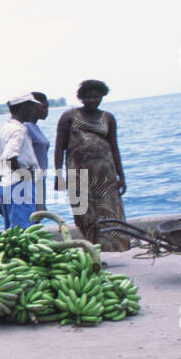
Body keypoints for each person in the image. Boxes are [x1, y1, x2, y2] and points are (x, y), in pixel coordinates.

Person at [53, 79, 130, 251]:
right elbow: (59, 147)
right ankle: (92, 249)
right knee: (83, 213)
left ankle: (108, 248)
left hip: (105, 175)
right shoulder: (69, 117)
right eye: (89, 97)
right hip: (77, 174)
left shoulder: (108, 118)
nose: (93, 100)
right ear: (82, 98)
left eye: (97, 97)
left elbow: (114, 148)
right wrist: (58, 175)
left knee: (109, 211)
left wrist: (121, 176)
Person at [0, 94, 40, 230]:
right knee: (23, 229)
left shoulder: (5, 129)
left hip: (6, 185)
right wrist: (26, 175)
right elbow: (9, 156)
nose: (34, 110)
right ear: (24, 107)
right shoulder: (18, 130)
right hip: (20, 184)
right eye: (31, 106)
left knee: (12, 230)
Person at [27, 92, 50, 210]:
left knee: (38, 215)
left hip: (40, 179)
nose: (47, 111)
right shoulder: (25, 127)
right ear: (33, 107)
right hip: (30, 180)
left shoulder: (35, 127)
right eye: (44, 107)